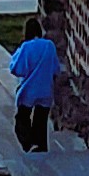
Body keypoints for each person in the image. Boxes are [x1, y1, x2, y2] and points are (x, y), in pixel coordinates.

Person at [6, 23, 60, 152]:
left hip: (29, 91)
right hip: (46, 90)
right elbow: (56, 69)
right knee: (41, 121)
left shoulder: (26, 47)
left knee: (22, 119)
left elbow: (16, 68)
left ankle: (28, 144)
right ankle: (41, 147)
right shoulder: (49, 46)